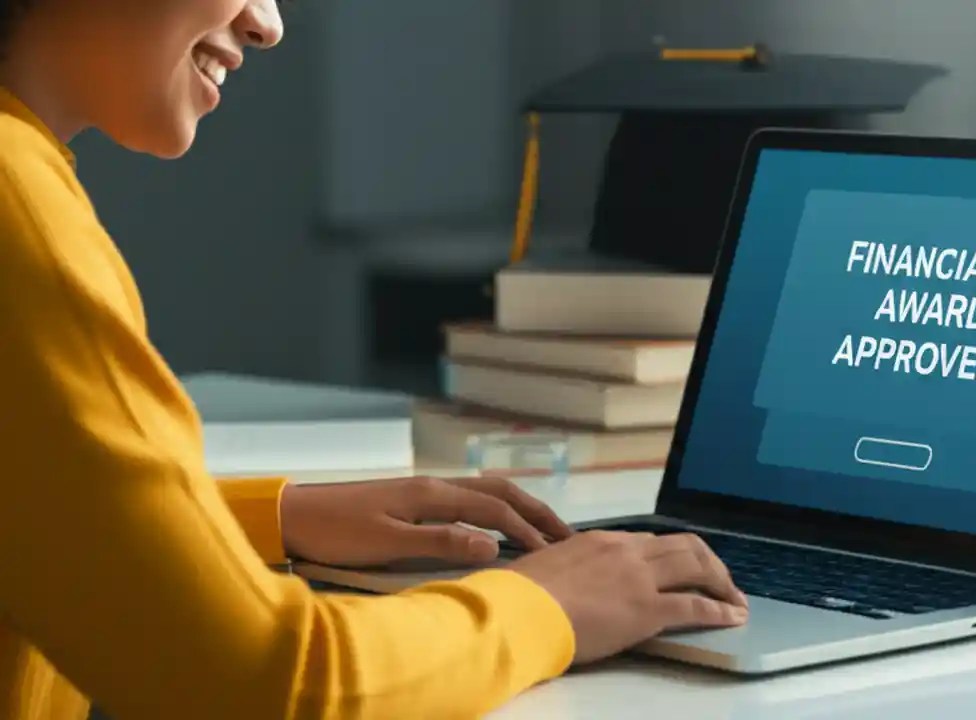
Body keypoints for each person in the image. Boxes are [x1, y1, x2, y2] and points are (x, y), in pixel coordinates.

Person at [0, 1, 750, 718]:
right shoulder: (20, 214)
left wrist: (268, 519)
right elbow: (267, 688)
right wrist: (547, 605)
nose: (266, 24)